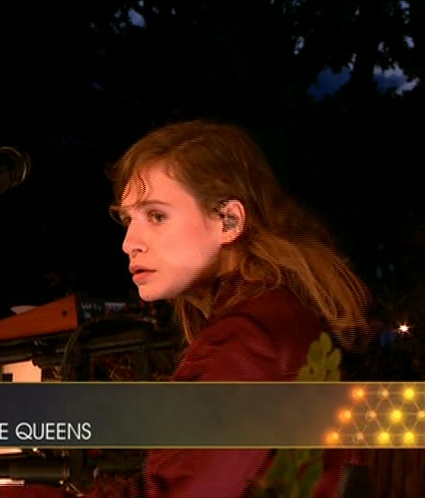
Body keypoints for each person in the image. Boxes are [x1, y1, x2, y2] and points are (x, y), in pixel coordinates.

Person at [85, 120, 372, 498]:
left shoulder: (247, 337)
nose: (130, 243)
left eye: (156, 216)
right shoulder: (276, 314)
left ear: (229, 221)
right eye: (128, 220)